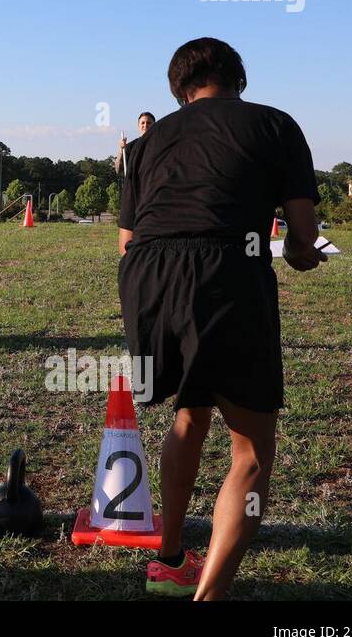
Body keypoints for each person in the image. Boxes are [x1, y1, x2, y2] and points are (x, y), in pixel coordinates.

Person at [117, 38, 325, 600]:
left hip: (147, 278)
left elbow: (126, 240)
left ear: (178, 89)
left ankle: (169, 559)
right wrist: (301, 253)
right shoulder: (275, 125)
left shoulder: (145, 143)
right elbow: (304, 236)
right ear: (239, 78)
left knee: (189, 415)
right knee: (252, 450)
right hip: (226, 270)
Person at [115, 111, 156, 177]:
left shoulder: (160, 145)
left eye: (148, 123)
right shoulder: (130, 147)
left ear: (154, 126)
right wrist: (121, 150)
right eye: (142, 123)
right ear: (138, 126)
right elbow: (118, 170)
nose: (145, 125)